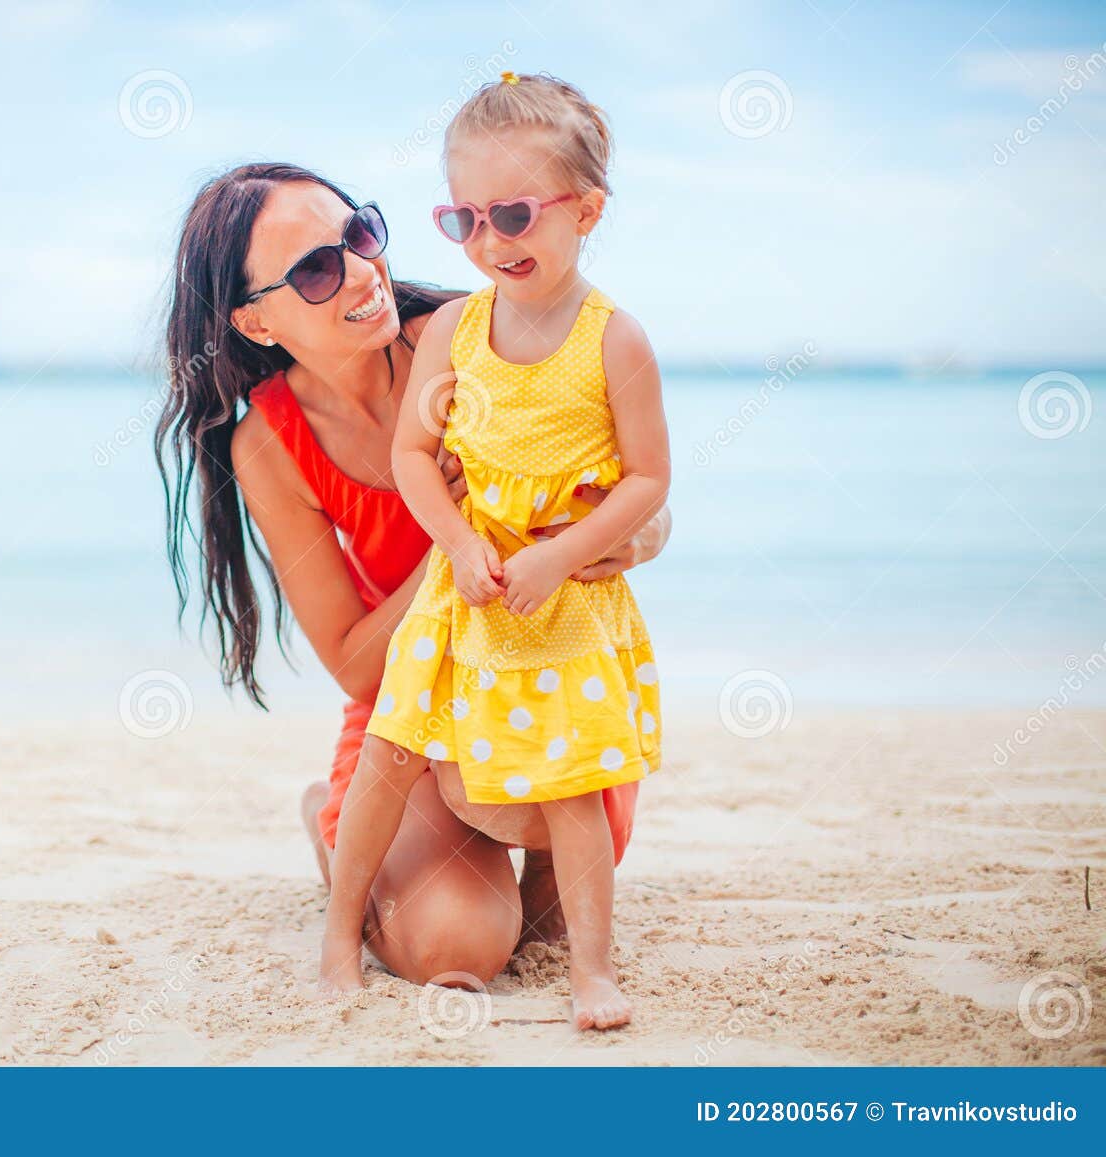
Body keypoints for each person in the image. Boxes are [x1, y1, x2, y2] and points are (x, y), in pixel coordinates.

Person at [155, 155, 671, 991]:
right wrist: (453, 539)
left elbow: (633, 478)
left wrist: (631, 538)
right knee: (455, 949)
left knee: (552, 907)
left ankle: (470, 854)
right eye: (317, 269)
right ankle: (339, 819)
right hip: (414, 693)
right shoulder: (270, 446)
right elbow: (358, 664)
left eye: (359, 233)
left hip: (543, 668)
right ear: (254, 322)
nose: (363, 271)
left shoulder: (480, 333)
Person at [318, 74, 669, 1032]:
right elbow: (413, 456)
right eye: (461, 218)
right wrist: (461, 542)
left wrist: (564, 556)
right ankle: (339, 937)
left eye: (512, 214)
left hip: (560, 599)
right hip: (463, 589)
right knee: (392, 753)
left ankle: (591, 970)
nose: (487, 243)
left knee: (567, 788)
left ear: (586, 211)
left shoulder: (614, 340)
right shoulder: (461, 331)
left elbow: (646, 481)